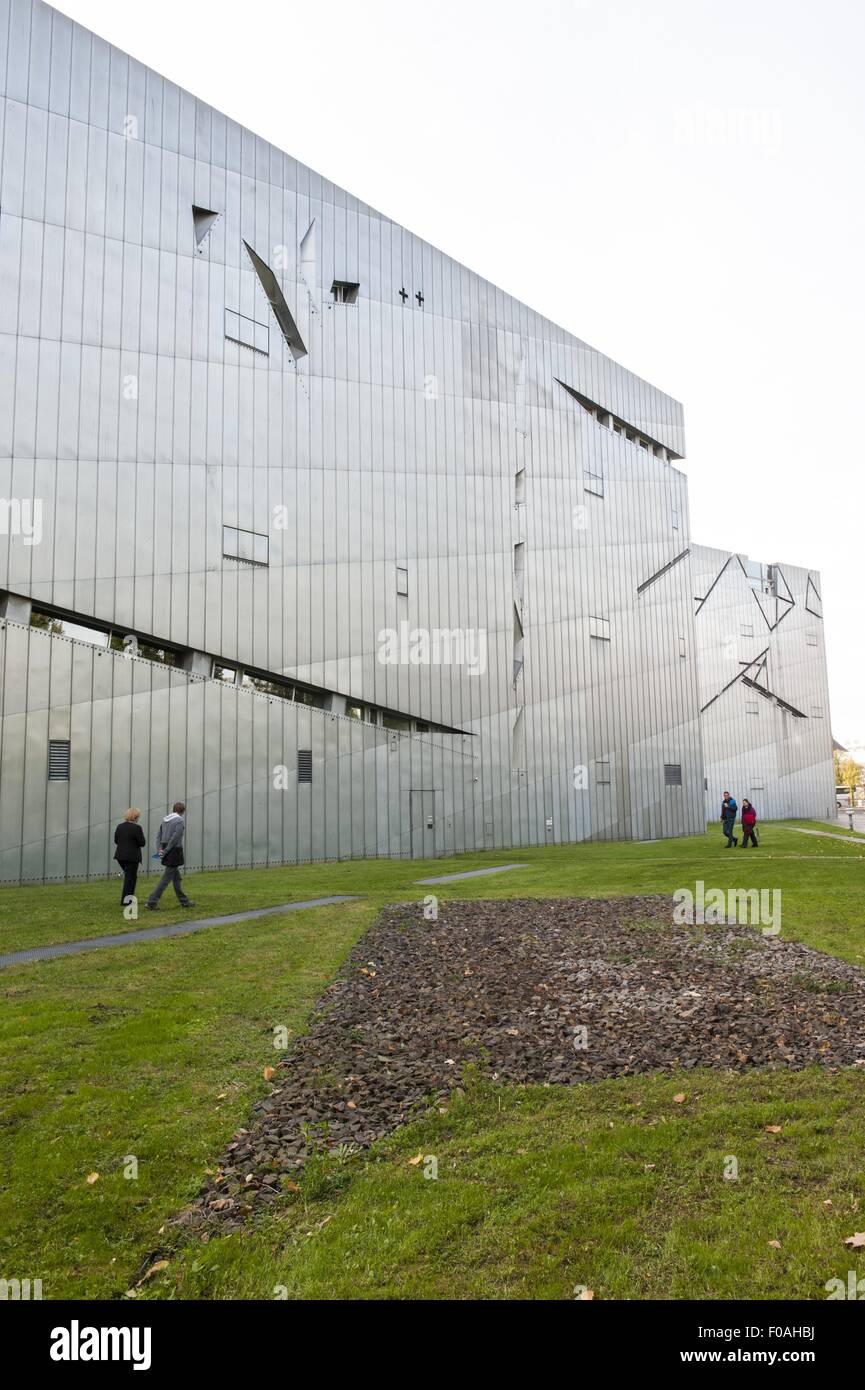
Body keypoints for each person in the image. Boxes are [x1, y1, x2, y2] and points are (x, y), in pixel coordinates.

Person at [145, 801, 195, 909]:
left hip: (165, 849)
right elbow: (176, 837)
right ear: (183, 811)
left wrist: (160, 850)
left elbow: (159, 836)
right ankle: (152, 902)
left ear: (173, 809)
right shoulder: (179, 820)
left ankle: (184, 901)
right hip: (174, 851)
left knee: (176, 878)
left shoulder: (165, 820)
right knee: (166, 878)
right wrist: (166, 850)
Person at [114, 807, 146, 906]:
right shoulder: (137, 828)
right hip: (132, 857)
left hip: (120, 856)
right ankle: (126, 901)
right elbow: (142, 843)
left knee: (130, 877)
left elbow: (116, 840)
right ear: (136, 817)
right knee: (130, 878)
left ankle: (127, 899)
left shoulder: (120, 826)